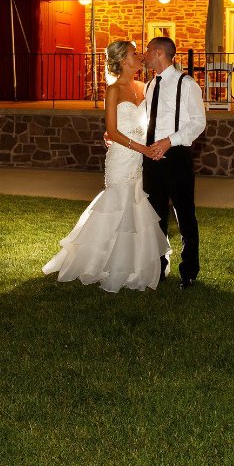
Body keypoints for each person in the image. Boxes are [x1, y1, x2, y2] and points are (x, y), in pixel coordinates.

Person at [43, 41, 168, 293]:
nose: (141, 56)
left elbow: (148, 121)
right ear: (123, 60)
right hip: (122, 157)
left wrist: (152, 146)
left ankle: (133, 265)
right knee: (116, 206)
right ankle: (95, 261)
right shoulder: (113, 90)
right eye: (135, 53)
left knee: (136, 207)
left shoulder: (144, 87)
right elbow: (113, 130)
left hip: (140, 158)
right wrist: (141, 148)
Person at [141, 36, 206, 288]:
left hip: (176, 156)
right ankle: (158, 267)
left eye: (147, 50)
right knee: (155, 215)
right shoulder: (149, 86)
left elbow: (198, 122)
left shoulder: (186, 84)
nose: (144, 55)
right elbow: (146, 121)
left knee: (185, 215)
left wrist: (169, 141)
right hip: (151, 159)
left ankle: (189, 271)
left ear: (158, 52)